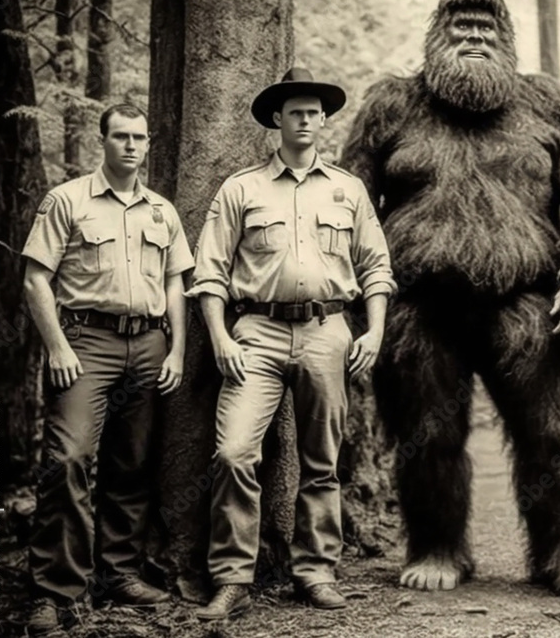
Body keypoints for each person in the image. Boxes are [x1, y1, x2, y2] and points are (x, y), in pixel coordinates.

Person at [339, 0, 560, 599]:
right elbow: (343, 206)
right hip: (417, 306)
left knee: (553, 438)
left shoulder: (548, 104)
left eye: (485, 28)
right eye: (462, 28)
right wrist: (357, 312)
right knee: (428, 437)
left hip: (526, 303)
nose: (474, 38)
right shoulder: (391, 104)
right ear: (437, 36)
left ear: (508, 39)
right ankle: (438, 547)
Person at [189, 68, 396, 620]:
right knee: (233, 452)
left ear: (323, 120)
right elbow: (208, 273)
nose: (305, 120)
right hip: (253, 332)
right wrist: (218, 338)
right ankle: (234, 578)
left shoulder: (347, 190)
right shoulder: (241, 188)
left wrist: (373, 329)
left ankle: (315, 572)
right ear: (276, 120)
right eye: (295, 112)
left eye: (313, 112)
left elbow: (376, 267)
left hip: (329, 331)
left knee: (321, 462)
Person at [22, 103, 193, 636]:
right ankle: (56, 591)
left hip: (147, 344)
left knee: (133, 462)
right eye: (120, 136)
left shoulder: (162, 211)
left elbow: (175, 285)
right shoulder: (68, 201)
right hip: (84, 343)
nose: (130, 146)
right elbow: (34, 280)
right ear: (104, 140)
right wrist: (57, 347)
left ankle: (118, 574)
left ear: (148, 143)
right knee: (69, 458)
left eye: (139, 137)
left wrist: (177, 350)